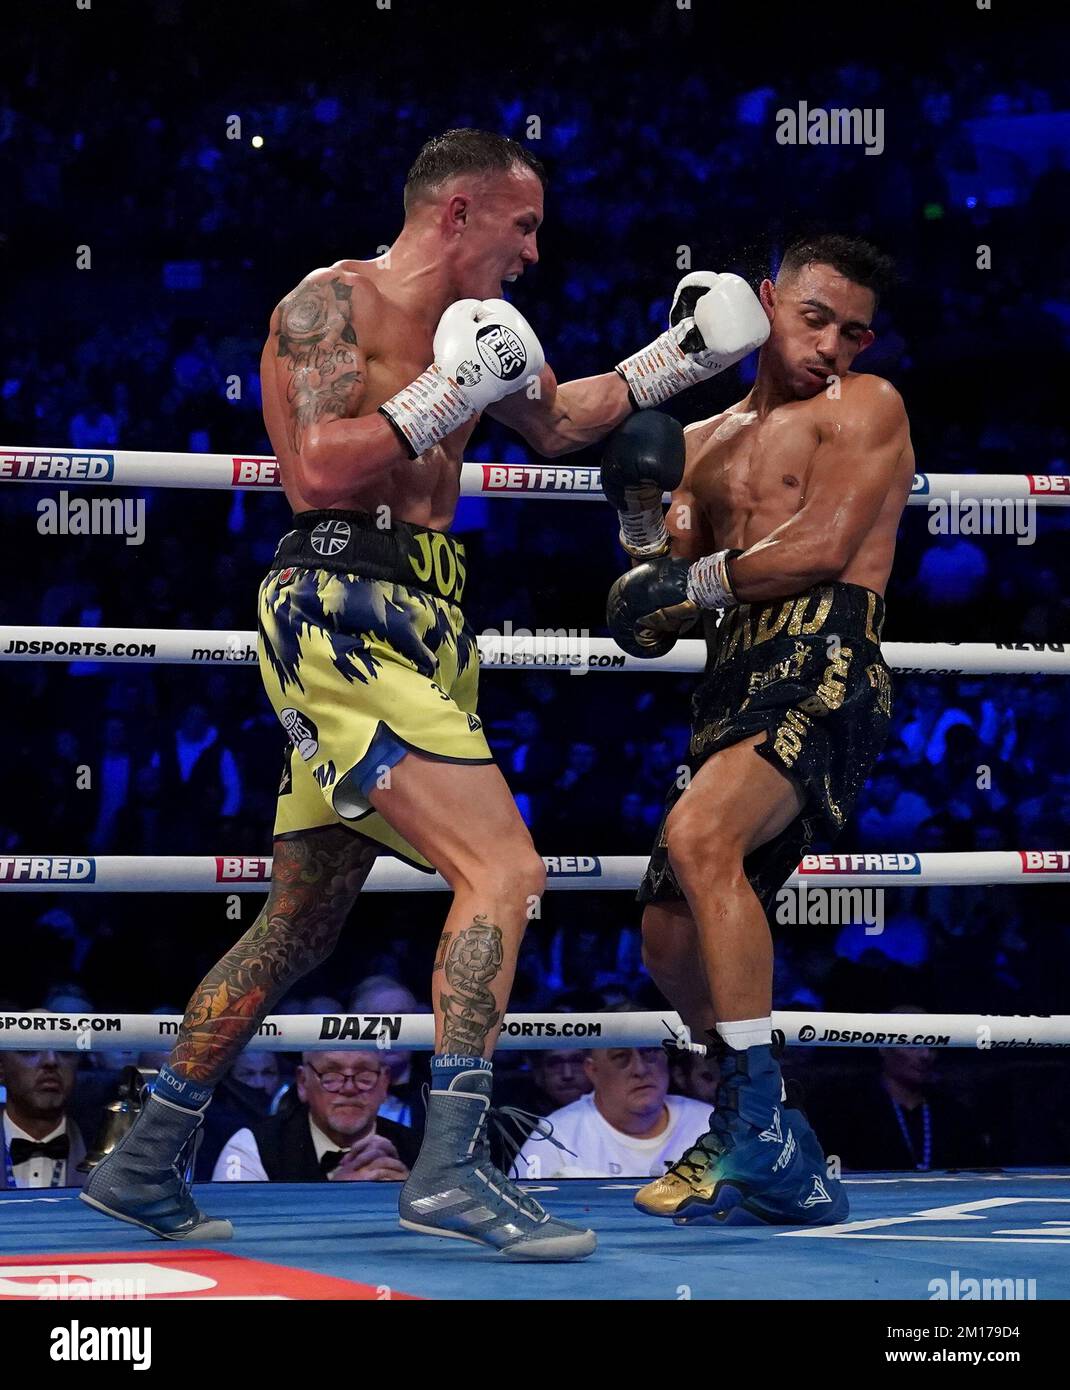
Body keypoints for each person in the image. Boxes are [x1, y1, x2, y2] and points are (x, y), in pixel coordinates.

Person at [82, 127, 767, 1260]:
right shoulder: (332, 304)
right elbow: (314, 466)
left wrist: (680, 355)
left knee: (298, 922)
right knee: (504, 870)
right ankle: (448, 1167)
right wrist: (447, 391)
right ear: (458, 212)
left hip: (434, 616)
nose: (533, 252)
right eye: (523, 226)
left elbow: (560, 419)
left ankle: (144, 1159)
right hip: (342, 608)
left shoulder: (479, 325)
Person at [605, 233, 915, 1226]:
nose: (831, 346)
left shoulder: (865, 407)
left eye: (852, 331)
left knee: (701, 837)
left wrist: (683, 583)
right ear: (765, 302)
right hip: (728, 681)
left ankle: (746, 1117)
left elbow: (821, 545)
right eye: (815, 318)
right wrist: (641, 520)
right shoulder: (700, 441)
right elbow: (654, 615)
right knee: (665, 937)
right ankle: (774, 1135)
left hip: (825, 657)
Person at [213, 1052, 417, 1182]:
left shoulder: (421, 1149)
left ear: (384, 1083)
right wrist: (338, 1197)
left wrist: (415, 1202)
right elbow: (239, 1233)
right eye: (331, 1074)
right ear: (303, 1083)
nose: (349, 1088)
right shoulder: (250, 1147)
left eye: (364, 1075)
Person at [514, 1043, 709, 1179]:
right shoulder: (555, 1136)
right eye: (621, 1057)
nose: (640, 1070)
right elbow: (522, 1216)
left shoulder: (709, 1122)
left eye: (649, 1052)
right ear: (593, 1070)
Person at [0, 1049, 86, 1190]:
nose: (51, 1061)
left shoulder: (111, 1155)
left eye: (64, 1050)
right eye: (31, 1049)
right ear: (1, 1067)